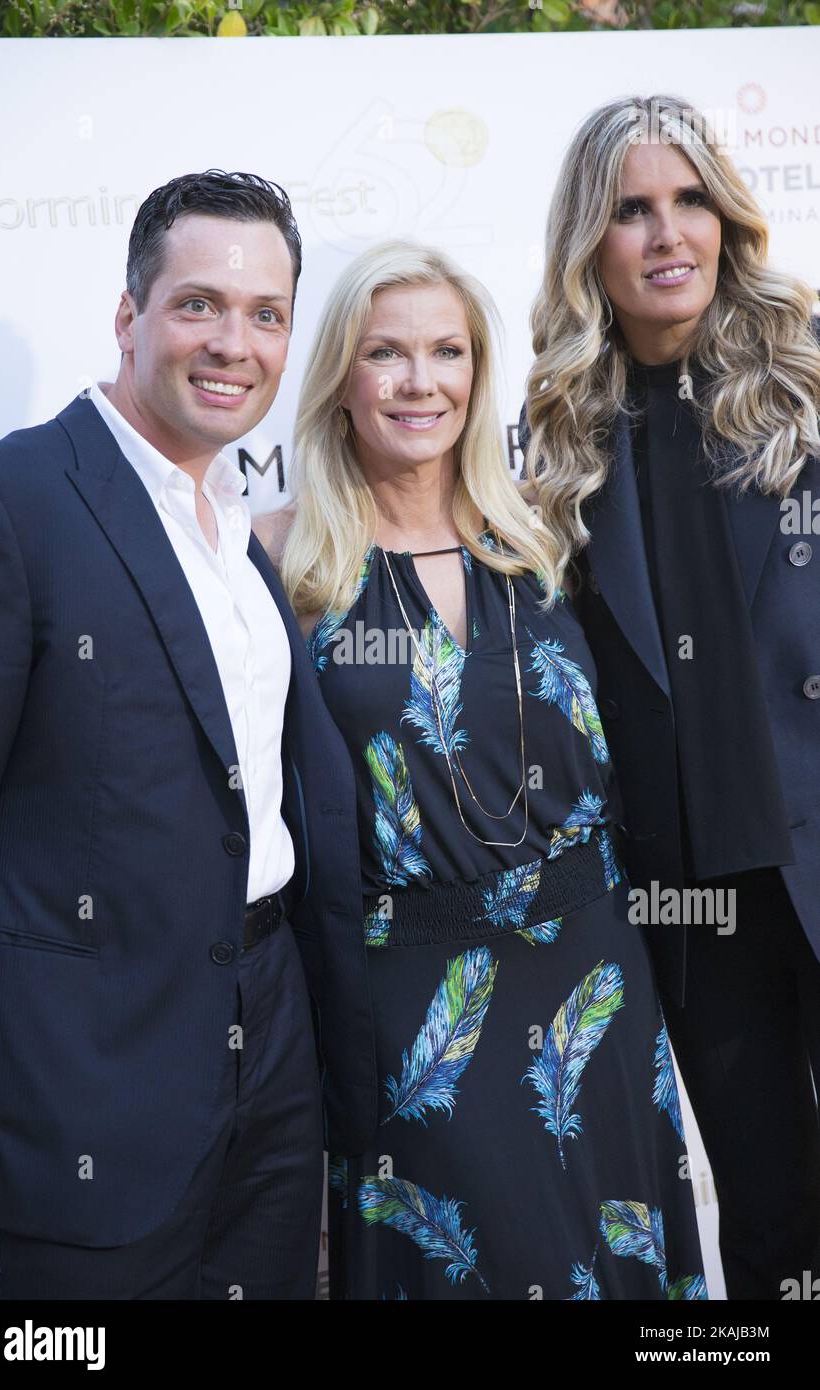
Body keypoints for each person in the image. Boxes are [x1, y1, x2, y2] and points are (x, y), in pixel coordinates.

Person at [254, 239, 706, 1300]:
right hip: (410, 1006)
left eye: (446, 351)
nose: (421, 382)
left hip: (593, 977)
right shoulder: (281, 563)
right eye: (386, 354)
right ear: (339, 378)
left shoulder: (547, 540)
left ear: (476, 370)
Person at [0, 169, 377, 1300]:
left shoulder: (237, 536)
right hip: (84, 1088)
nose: (232, 342)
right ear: (128, 315)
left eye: (265, 314)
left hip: (272, 1058)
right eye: (198, 304)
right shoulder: (7, 504)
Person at [517, 94, 820, 1300]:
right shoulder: (557, 445)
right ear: (588, 239)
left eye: (688, 198)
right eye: (630, 209)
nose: (665, 233)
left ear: (725, 217)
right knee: (765, 1218)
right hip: (697, 907)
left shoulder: (801, 392)